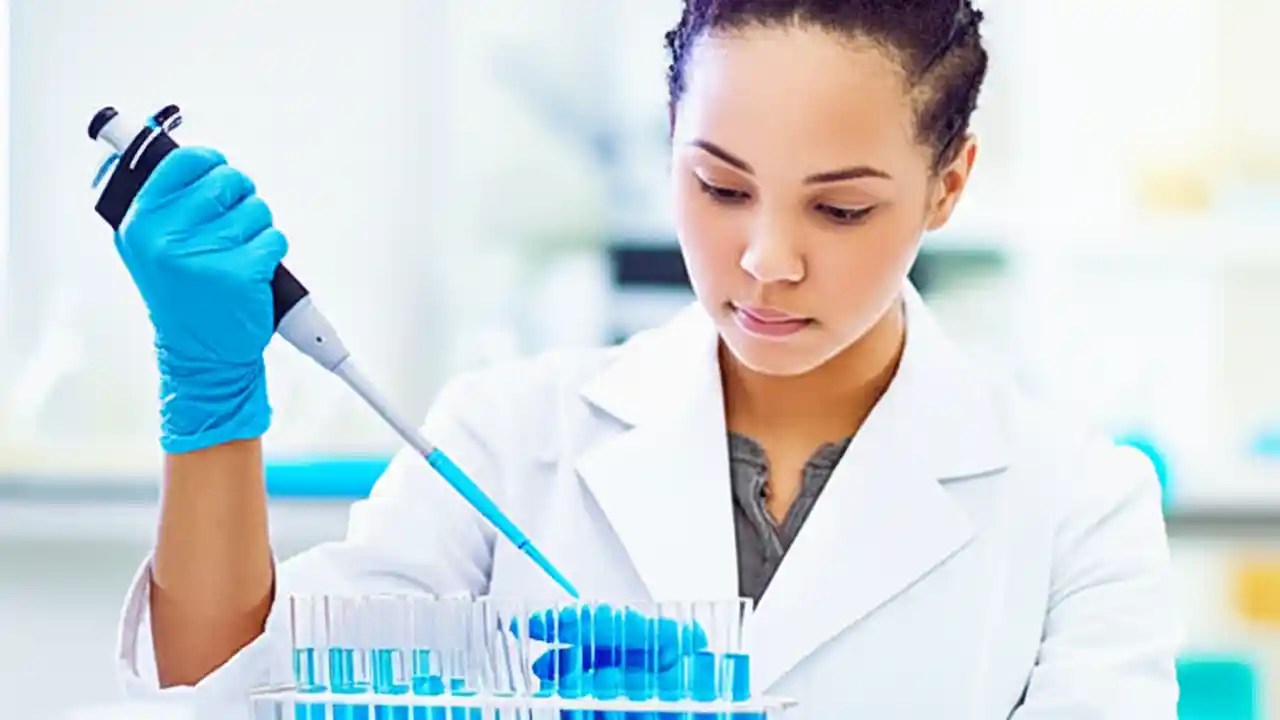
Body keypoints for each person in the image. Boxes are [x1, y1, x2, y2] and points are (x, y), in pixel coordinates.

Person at [111, 0, 1181, 716]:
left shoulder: (1075, 503)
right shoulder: (509, 436)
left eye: (841, 207)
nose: (765, 261)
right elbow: (233, 694)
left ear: (948, 184)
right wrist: (213, 405)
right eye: (719, 187)